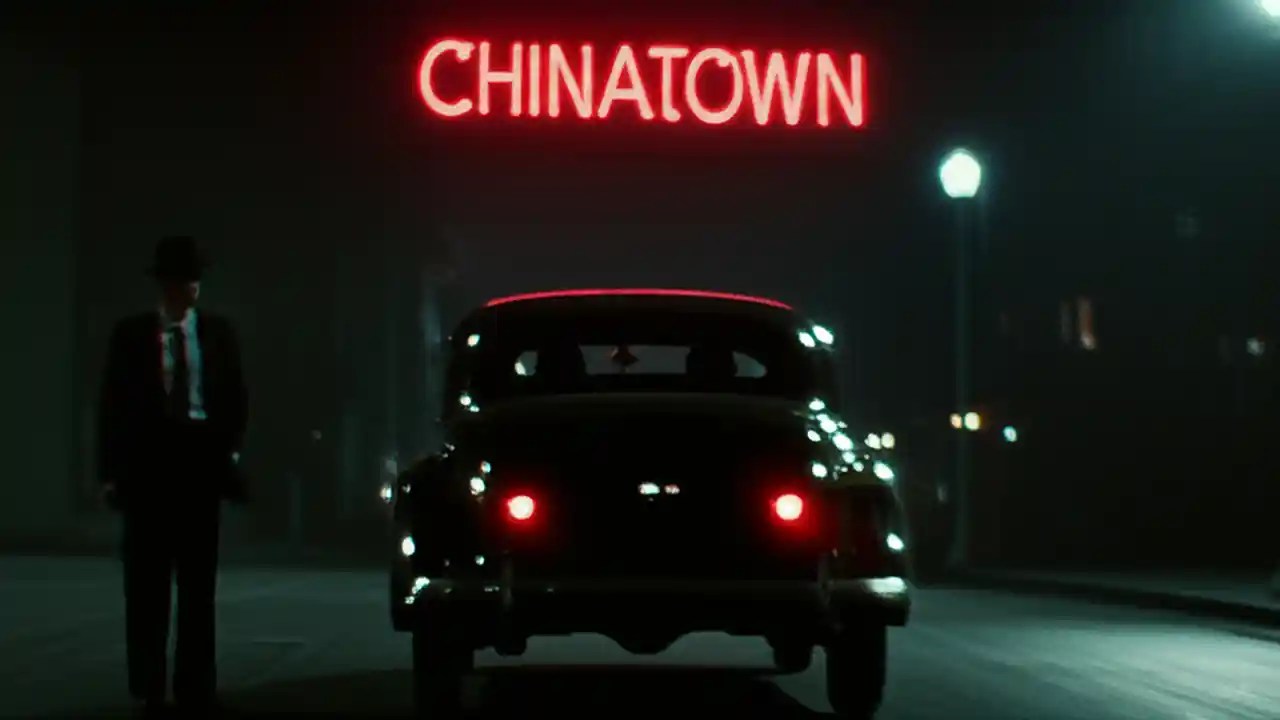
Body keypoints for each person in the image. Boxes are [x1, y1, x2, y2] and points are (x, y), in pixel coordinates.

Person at [98, 235, 248, 718]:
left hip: (198, 468)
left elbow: (235, 398)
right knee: (146, 587)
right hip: (148, 471)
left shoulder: (218, 333)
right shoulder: (130, 335)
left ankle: (195, 686)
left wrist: (225, 453)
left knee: (198, 589)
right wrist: (110, 471)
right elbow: (111, 406)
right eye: (182, 281)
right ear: (165, 285)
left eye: (194, 280)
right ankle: (150, 685)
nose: (189, 289)